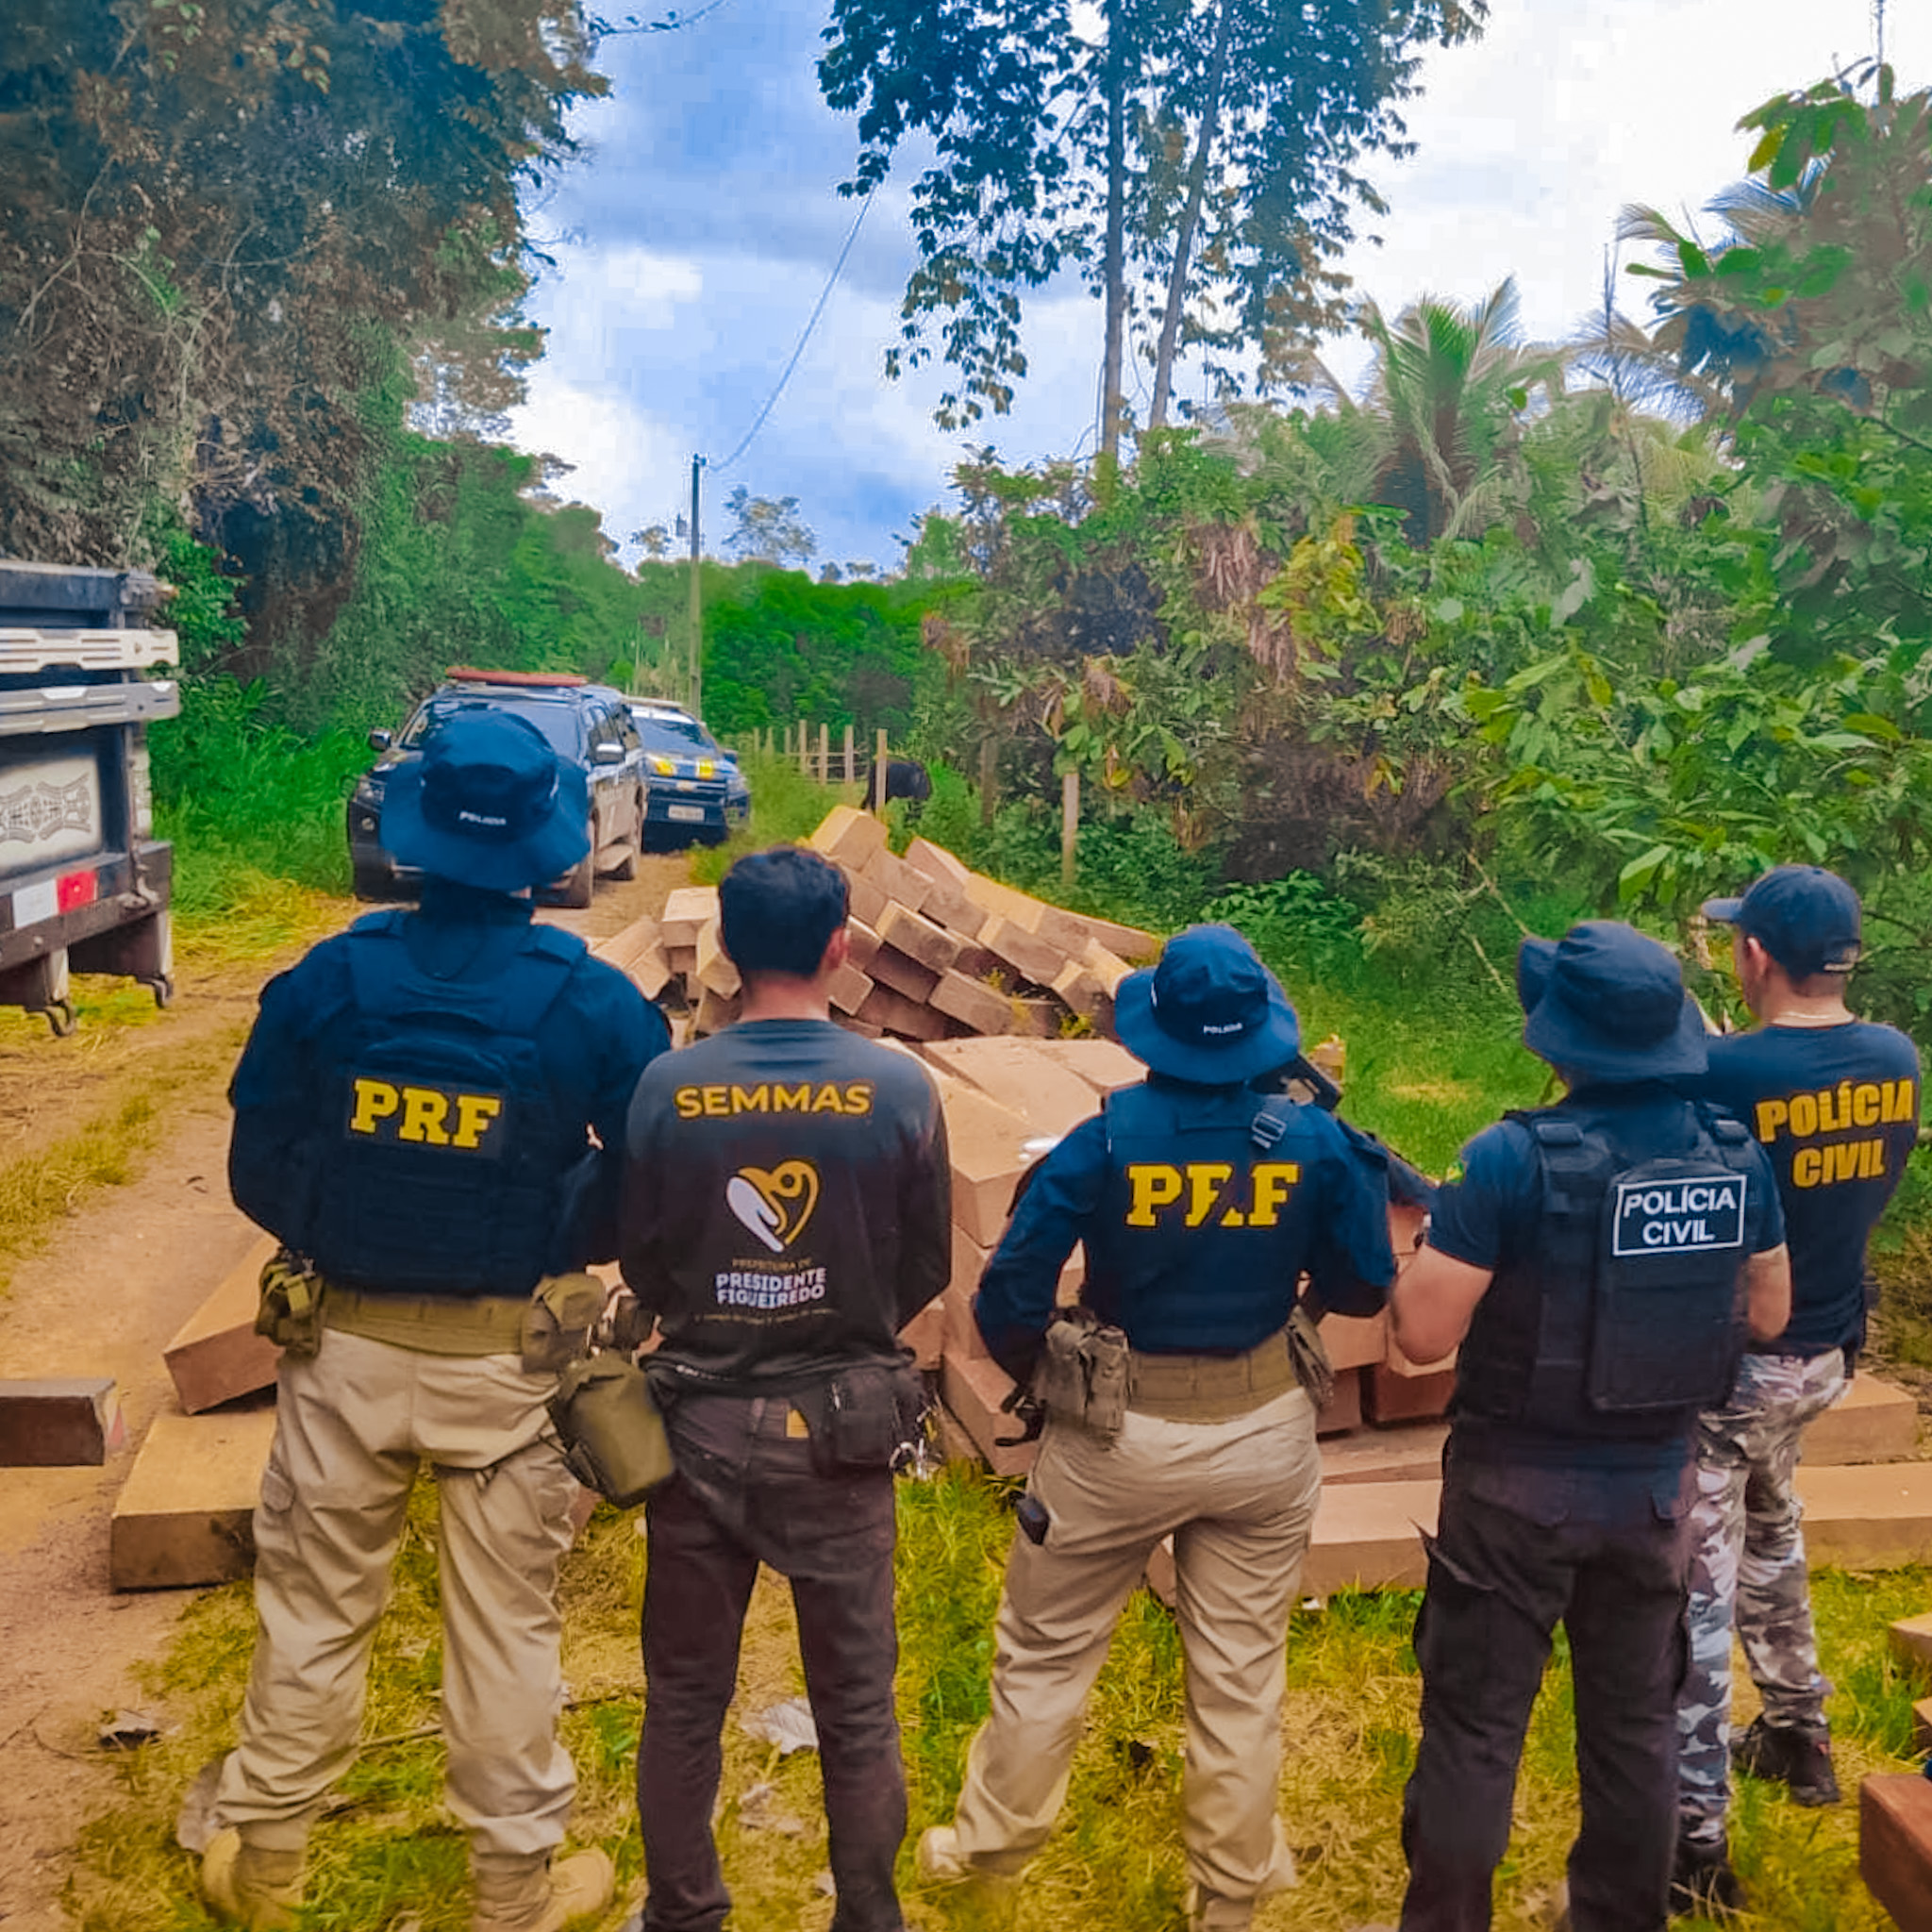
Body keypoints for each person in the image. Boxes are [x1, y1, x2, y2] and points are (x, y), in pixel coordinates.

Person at [204, 711, 668, 1932]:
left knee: (309, 1614)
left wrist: (343, 1227)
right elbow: (645, 1176)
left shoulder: (328, 981)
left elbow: (259, 1165)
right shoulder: (595, 1007)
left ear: (415, 837)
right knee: (508, 1632)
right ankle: (513, 1891)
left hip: (341, 1352)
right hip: (510, 1365)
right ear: (546, 849)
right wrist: (563, 1235)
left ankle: (265, 1865)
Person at [919, 923, 1399, 1932]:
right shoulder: (1315, 1142)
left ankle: (990, 1850)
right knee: (1238, 1670)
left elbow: (1008, 1295)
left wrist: (1054, 1377)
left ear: (1154, 1031)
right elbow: (1365, 1279)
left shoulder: (1100, 1142)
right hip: (1266, 1429)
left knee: (1045, 1649)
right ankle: (1228, 1894)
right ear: (1260, 1034)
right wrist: (1292, 1308)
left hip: (1115, 1434)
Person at [1378, 922, 1790, 1932]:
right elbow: (1771, 1314)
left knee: (1475, 1731)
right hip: (1654, 1492)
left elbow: (1418, 1339)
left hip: (1510, 1491)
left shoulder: (1508, 1160)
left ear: (1558, 1042)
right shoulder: (1733, 1153)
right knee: (1634, 1728)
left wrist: (1415, 1245)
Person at [619, 844, 951, 1932]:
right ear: (839, 948)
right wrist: (843, 1321)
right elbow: (926, 1267)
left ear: (722, 948)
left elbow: (645, 1260)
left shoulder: (667, 1085)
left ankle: (683, 1911)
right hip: (843, 1432)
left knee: (682, 1700)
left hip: (696, 1424)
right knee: (854, 1707)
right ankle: (867, 1914)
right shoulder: (899, 1085)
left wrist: (722, 1311)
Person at [1672, 867, 1923, 1910]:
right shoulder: (1895, 1057)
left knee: (1690, 1584)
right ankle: (1794, 1731)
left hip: (1735, 1360)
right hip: (1824, 1352)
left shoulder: (1727, 1073)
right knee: (1772, 1525)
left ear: (1756, 956)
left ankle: (1691, 1842)